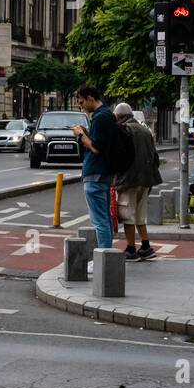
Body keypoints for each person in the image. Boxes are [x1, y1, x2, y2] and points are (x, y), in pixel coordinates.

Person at [71, 85, 117, 258]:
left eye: (81, 101)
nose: (80, 105)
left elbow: (96, 147)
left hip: (95, 174)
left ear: (90, 98)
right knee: (103, 219)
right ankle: (106, 256)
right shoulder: (107, 114)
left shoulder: (100, 117)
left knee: (100, 221)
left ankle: (103, 258)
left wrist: (80, 134)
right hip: (102, 173)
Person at [113, 102, 161, 262]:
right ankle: (146, 246)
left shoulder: (124, 130)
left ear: (118, 117)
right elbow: (155, 157)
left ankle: (131, 248)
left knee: (128, 215)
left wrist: (116, 177)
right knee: (140, 215)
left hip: (129, 179)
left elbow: (120, 156)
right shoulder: (145, 130)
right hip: (147, 179)